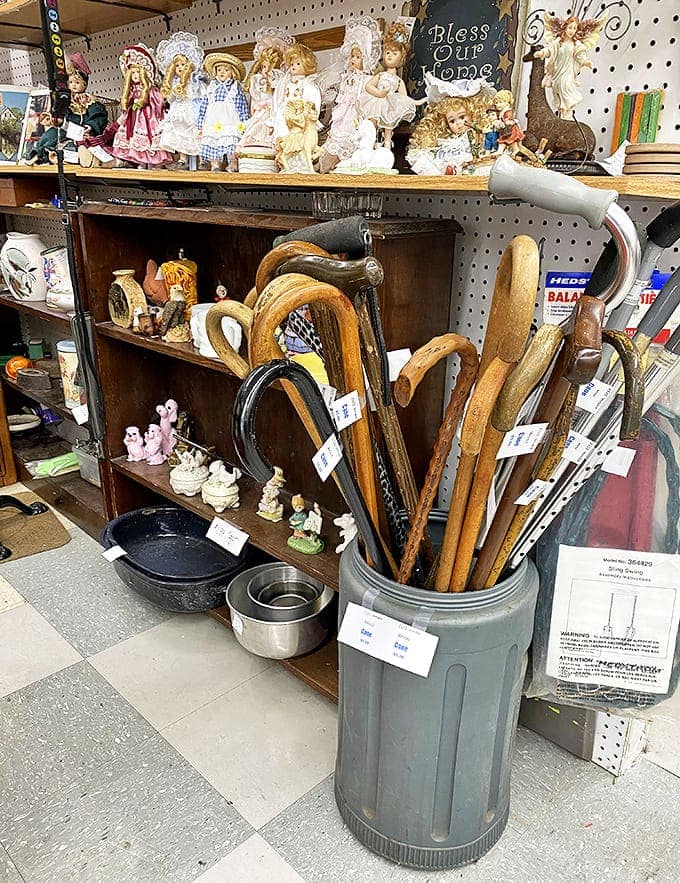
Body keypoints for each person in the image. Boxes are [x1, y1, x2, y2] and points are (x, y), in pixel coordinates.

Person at [24, 53, 108, 165]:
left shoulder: (89, 100)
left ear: (84, 84)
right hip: (67, 127)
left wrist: (91, 126)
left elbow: (98, 116)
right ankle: (38, 153)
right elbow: (62, 114)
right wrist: (55, 118)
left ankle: (57, 155)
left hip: (81, 129)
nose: (73, 85)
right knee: (50, 134)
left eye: (77, 83)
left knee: (72, 143)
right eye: (71, 82)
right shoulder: (66, 98)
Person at [357, 22, 426, 151]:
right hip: (376, 102)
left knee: (389, 124)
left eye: (394, 53)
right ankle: (368, 146)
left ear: (401, 58)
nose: (390, 56)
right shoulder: (381, 75)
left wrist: (417, 102)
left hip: (389, 105)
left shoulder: (399, 81)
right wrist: (380, 94)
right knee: (372, 124)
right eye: (388, 52)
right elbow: (368, 87)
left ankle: (387, 147)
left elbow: (404, 99)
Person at [112, 43, 174, 168]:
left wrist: (145, 102)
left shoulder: (150, 89)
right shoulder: (132, 89)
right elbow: (128, 100)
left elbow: (159, 101)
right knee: (132, 136)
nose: (135, 76)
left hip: (147, 116)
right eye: (133, 73)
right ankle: (138, 160)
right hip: (134, 116)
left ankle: (150, 160)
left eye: (137, 72)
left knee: (147, 136)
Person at [536, 13, 605, 119]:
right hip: (558, 72)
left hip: (568, 73)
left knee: (566, 87)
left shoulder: (576, 44)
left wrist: (586, 62)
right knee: (558, 88)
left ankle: (567, 115)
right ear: (565, 27)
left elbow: (580, 56)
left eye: (574, 28)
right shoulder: (559, 42)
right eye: (570, 27)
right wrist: (542, 53)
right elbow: (550, 49)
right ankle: (562, 114)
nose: (572, 31)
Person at [198, 52, 249, 171]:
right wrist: (200, 125)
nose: (222, 72)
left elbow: (242, 106)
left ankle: (233, 163)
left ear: (232, 72)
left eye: (226, 70)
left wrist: (245, 122)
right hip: (212, 119)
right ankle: (215, 164)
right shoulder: (211, 87)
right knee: (213, 140)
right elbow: (204, 107)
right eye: (219, 69)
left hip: (229, 119)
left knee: (230, 140)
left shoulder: (235, 87)